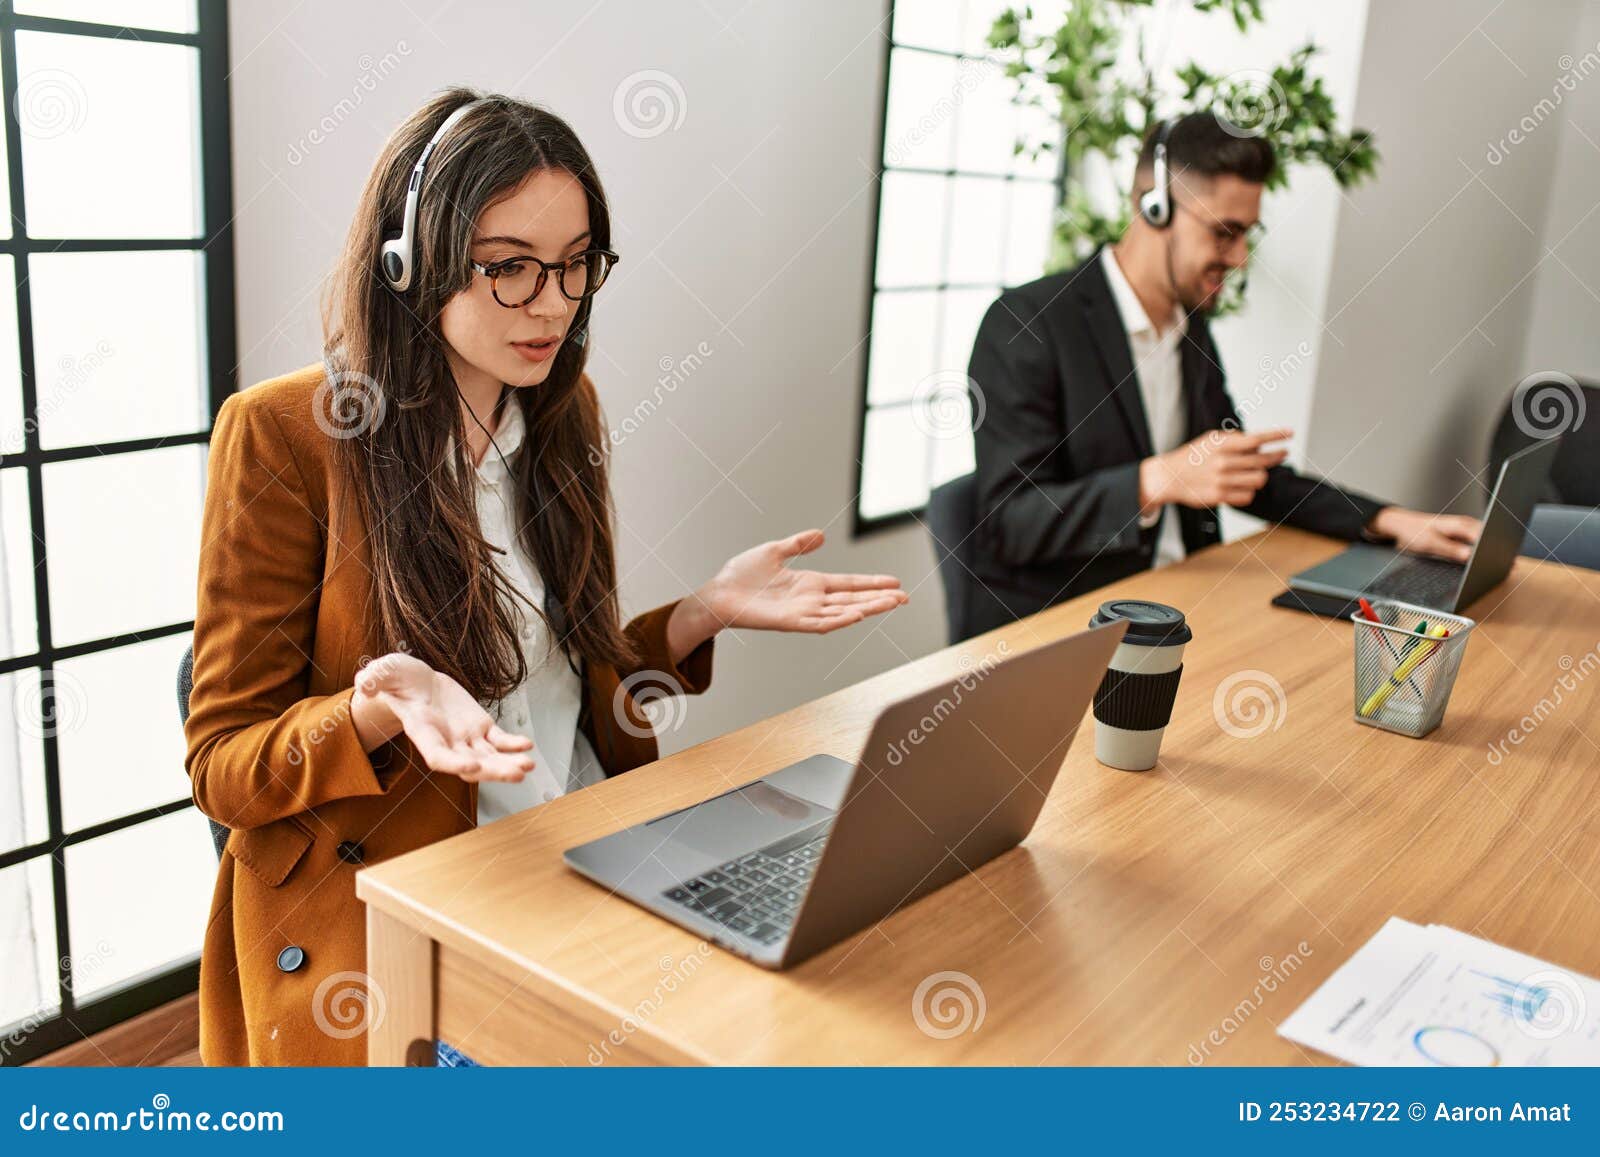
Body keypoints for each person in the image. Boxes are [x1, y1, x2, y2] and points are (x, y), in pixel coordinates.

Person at [184, 88, 907, 1066]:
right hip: (412, 920)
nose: (554, 304)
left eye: (575, 267)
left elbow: (565, 678)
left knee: (834, 1002)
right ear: (410, 263)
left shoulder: (562, 413)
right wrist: (373, 708)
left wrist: (701, 612)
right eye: (512, 269)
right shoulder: (286, 436)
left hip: (587, 849)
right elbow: (223, 764)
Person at [964, 111, 1480, 635]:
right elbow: (1010, 523)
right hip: (1074, 625)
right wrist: (1158, 480)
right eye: (1224, 232)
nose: (1239, 258)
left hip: (1183, 601)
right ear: (1154, 209)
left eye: (1246, 235)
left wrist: (1386, 521)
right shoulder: (1026, 325)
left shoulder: (1188, 327)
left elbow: (1244, 475)